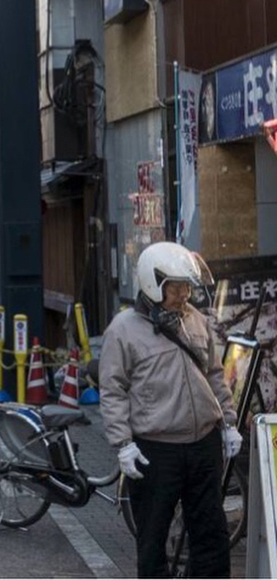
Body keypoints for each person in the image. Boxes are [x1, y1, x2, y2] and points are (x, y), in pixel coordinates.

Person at [100, 242, 238, 579]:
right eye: (175, 288)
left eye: (187, 287)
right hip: (155, 449)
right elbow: (112, 390)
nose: (183, 295)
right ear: (152, 284)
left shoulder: (197, 321)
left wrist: (229, 423)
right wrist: (123, 444)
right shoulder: (123, 330)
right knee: (153, 539)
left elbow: (214, 375)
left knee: (211, 534)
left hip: (203, 444)